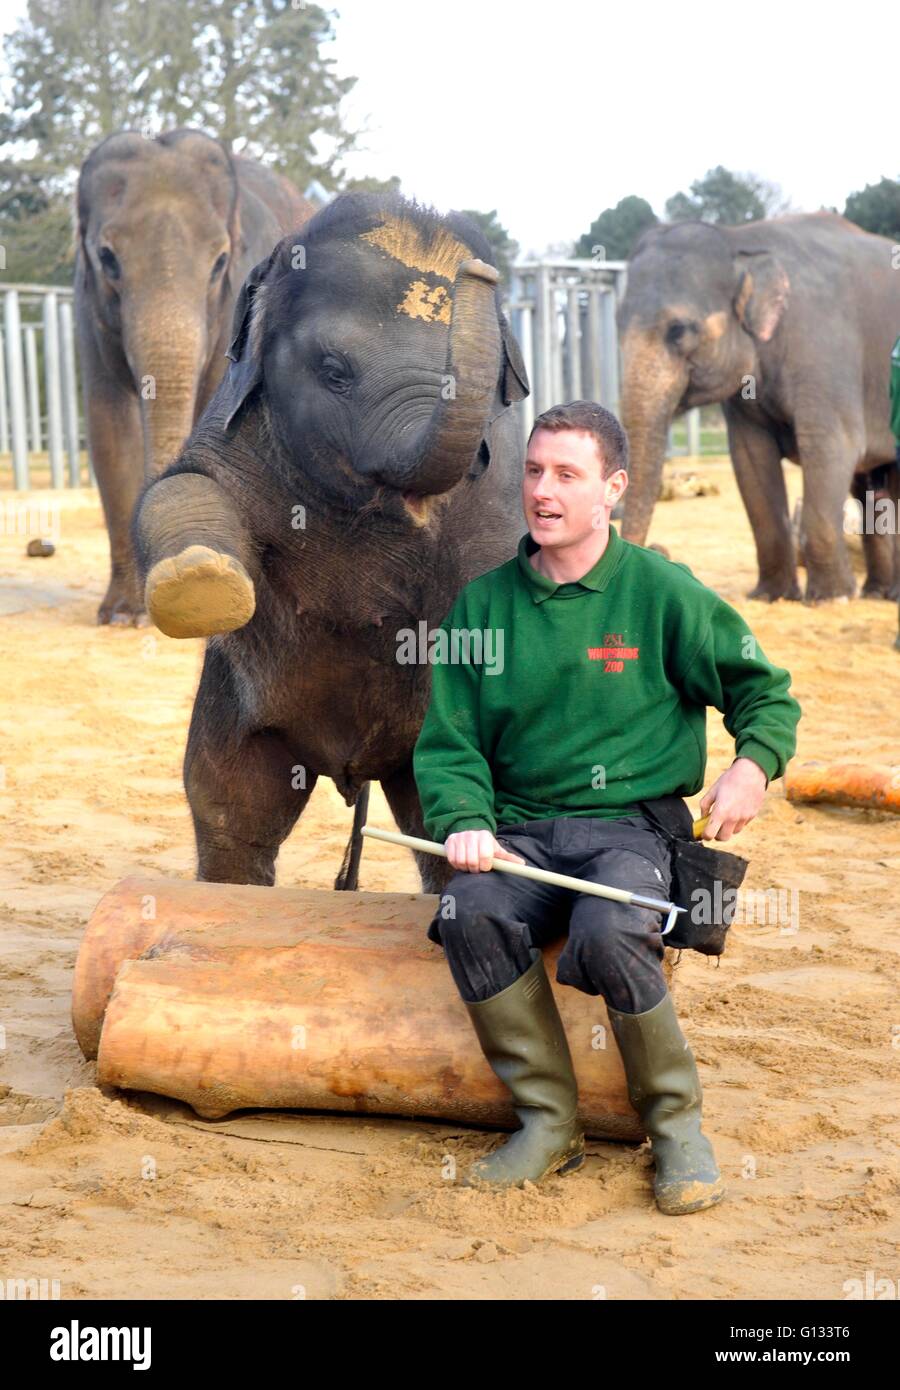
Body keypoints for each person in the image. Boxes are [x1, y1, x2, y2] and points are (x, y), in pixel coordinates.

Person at [412, 400, 802, 1215]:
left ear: (613, 489)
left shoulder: (664, 592)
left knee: (611, 925)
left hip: (633, 830)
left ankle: (677, 1127)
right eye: (533, 471)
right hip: (518, 832)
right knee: (469, 909)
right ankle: (550, 1123)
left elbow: (764, 694)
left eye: (567, 475)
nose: (543, 492)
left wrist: (753, 769)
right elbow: (448, 742)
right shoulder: (480, 607)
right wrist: (466, 823)